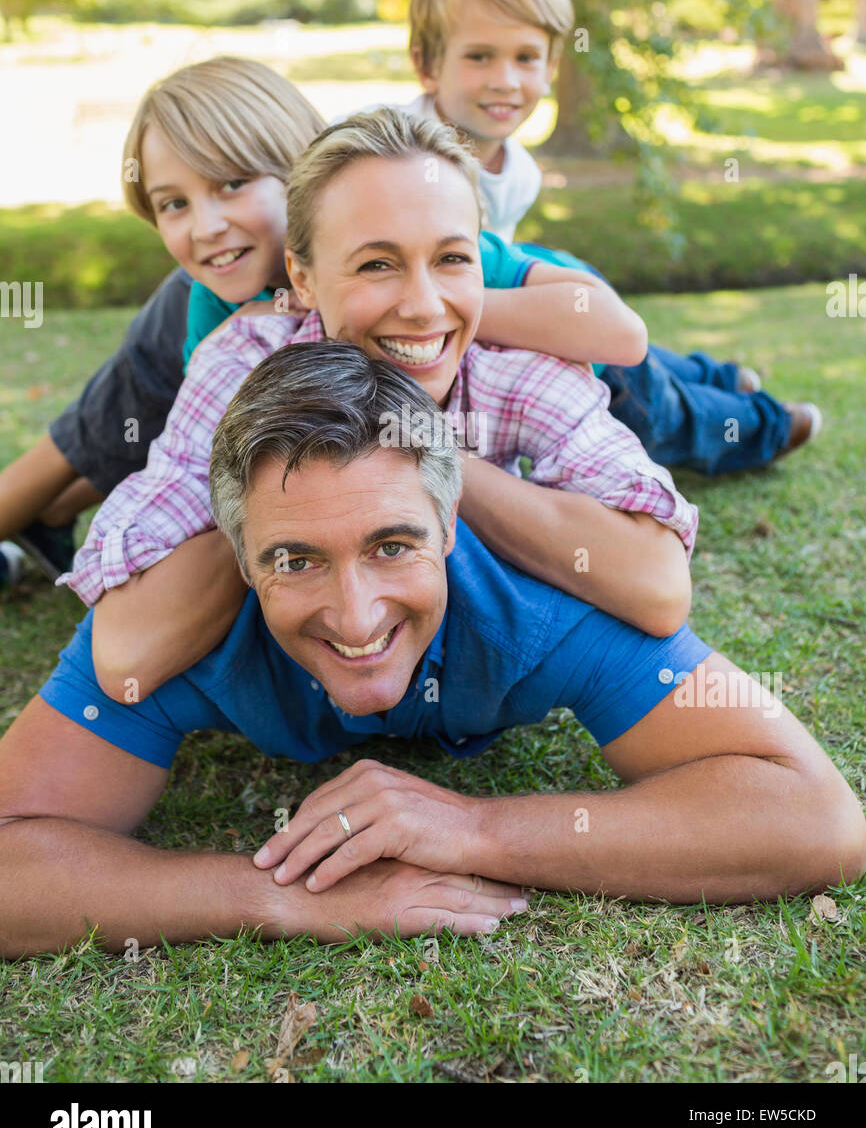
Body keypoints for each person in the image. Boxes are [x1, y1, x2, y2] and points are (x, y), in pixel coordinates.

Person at [1, 340, 861, 960]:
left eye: (392, 546)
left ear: (453, 527)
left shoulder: (539, 607)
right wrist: (272, 895)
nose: (355, 612)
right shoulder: (173, 631)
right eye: (294, 559)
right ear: (236, 556)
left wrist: (475, 828)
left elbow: (817, 817)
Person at [61, 109, 697, 705]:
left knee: (694, 406)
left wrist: (422, 453)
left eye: (451, 259)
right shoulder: (242, 366)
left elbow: (659, 587)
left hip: (472, 691)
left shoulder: (516, 370)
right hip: (300, 717)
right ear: (302, 280)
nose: (423, 306)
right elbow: (128, 656)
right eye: (376, 265)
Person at [379, 0, 821, 473]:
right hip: (479, 309)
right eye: (479, 57)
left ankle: (739, 403)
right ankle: (742, 404)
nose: (506, 80)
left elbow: (497, 269)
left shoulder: (518, 171)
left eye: (526, 57)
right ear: (427, 65)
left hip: (513, 293)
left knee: (615, 358)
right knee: (624, 375)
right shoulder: (397, 153)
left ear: (550, 67)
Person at [0, 57, 325, 586]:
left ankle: (50, 519)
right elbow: (201, 453)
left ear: (304, 166)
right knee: (85, 442)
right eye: (174, 203)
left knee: (129, 439)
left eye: (231, 182)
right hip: (176, 321)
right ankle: (35, 517)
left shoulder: (366, 246)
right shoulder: (204, 306)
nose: (206, 226)